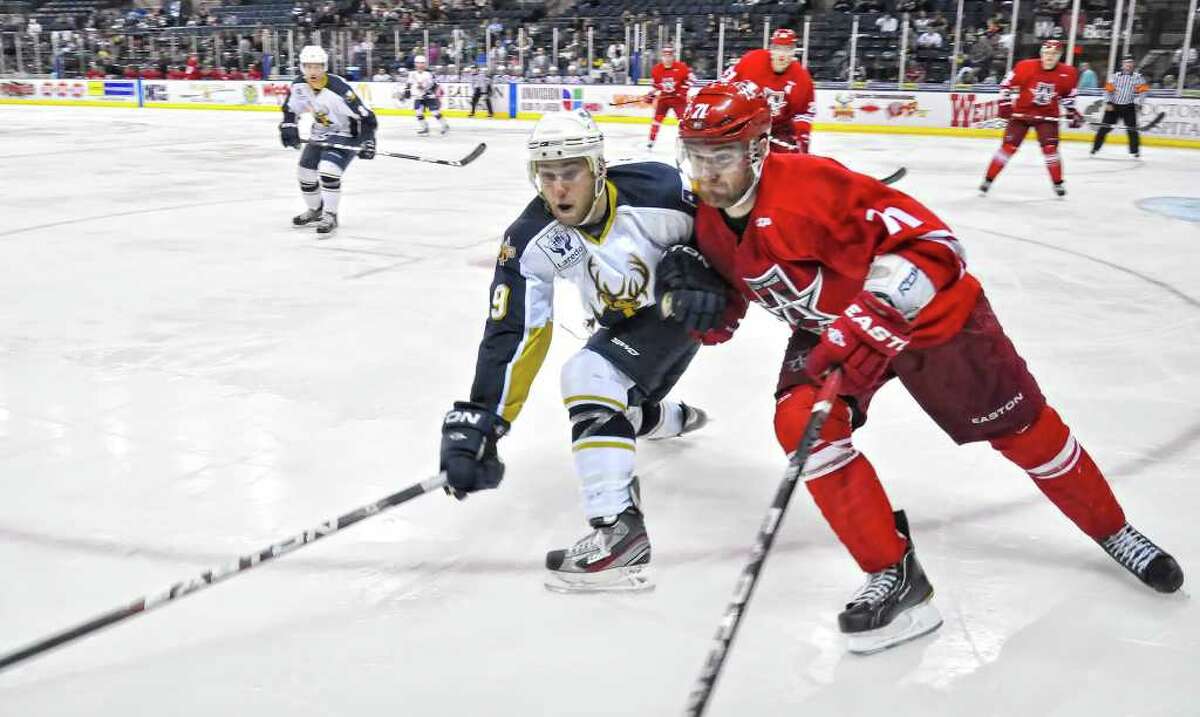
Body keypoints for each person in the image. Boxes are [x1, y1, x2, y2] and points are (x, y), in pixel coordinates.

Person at [660, 80, 1183, 654]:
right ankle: (894, 574)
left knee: (1024, 433)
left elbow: (935, 243)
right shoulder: (710, 222)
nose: (707, 173)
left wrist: (878, 308)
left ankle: (1114, 529)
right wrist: (696, 302)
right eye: (698, 156)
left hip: (933, 322)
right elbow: (733, 303)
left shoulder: (811, 186)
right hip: (834, 336)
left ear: (759, 149)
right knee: (802, 426)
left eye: (723, 157)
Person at [438, 111, 709, 594]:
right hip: (621, 332)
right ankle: (666, 417)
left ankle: (616, 531)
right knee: (611, 405)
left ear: (598, 168)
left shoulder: (660, 193)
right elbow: (515, 331)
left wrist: (711, 271)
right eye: (547, 175)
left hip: (680, 316)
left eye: (571, 173)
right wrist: (484, 419)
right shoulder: (530, 238)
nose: (559, 188)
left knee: (588, 375)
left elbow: (736, 235)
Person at [278, 45, 377, 236]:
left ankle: (330, 214)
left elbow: (367, 117)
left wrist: (368, 140)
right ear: (302, 67)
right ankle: (316, 210)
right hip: (321, 132)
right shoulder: (299, 86)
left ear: (324, 67)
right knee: (305, 172)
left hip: (347, 132)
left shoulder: (340, 90)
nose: (313, 72)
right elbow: (290, 109)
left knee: (328, 170)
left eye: (317, 67)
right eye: (308, 67)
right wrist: (288, 125)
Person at [980, 39, 1083, 197]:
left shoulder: (1069, 73)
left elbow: (1068, 96)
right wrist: (1005, 104)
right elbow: (1005, 85)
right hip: (1021, 113)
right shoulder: (1025, 66)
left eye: (1054, 54)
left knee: (1050, 149)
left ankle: (1058, 183)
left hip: (1047, 116)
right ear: (1041, 53)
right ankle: (988, 179)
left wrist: (1072, 112)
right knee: (1008, 147)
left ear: (1060, 56)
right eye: (1047, 53)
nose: (1050, 57)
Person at [720, 28, 816, 153]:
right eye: (778, 48)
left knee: (784, 163)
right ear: (771, 49)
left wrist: (801, 142)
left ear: (794, 51)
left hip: (778, 131)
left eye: (788, 49)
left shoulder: (802, 78)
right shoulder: (751, 60)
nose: (782, 55)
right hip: (744, 124)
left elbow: (804, 115)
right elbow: (724, 83)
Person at [1091, 56, 1149, 159]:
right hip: (1113, 106)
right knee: (1104, 128)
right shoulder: (1115, 76)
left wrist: (1140, 104)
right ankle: (1095, 148)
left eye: (1131, 62)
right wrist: (1108, 102)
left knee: (1132, 129)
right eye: (1127, 62)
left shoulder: (1138, 77)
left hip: (1129, 106)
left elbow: (1144, 91)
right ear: (1122, 65)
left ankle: (1135, 151)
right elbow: (1108, 90)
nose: (1129, 65)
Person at [645, 45, 693, 151]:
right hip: (664, 98)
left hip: (678, 99)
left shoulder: (681, 67)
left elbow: (691, 80)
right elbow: (655, 84)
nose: (667, 58)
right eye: (665, 56)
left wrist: (682, 92)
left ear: (673, 56)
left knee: (683, 121)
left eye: (670, 56)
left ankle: (687, 141)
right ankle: (651, 141)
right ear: (662, 57)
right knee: (657, 120)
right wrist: (651, 94)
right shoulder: (657, 69)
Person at [403, 54, 448, 135]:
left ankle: (444, 125)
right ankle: (425, 127)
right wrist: (407, 90)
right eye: (418, 63)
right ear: (415, 64)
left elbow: (434, 85)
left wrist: (426, 89)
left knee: (435, 112)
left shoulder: (429, 74)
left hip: (429, 95)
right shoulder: (412, 73)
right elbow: (409, 83)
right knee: (418, 112)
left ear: (424, 64)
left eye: (422, 63)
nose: (420, 65)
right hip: (418, 96)